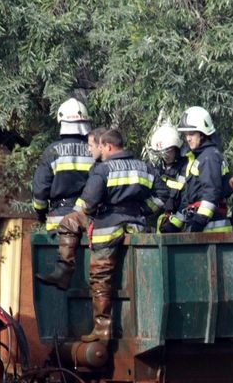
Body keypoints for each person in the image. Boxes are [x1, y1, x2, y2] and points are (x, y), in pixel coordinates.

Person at [37, 129, 154, 342]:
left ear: (108, 146)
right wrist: (143, 210)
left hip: (107, 227)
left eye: (97, 146)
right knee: (72, 222)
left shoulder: (102, 170)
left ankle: (101, 328)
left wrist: (90, 212)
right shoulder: (144, 167)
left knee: (100, 278)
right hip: (136, 222)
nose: (94, 149)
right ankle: (63, 272)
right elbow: (163, 195)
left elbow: (88, 203)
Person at [161, 106, 233, 233]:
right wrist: (175, 224)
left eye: (192, 134)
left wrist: (200, 220)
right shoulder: (198, 158)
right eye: (186, 135)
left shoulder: (209, 157)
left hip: (214, 230)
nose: (188, 138)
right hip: (204, 228)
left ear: (203, 134)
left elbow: (211, 193)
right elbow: (188, 201)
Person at [32, 98, 95, 233]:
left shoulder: (52, 151)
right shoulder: (94, 151)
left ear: (61, 122)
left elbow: (40, 190)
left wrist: (41, 214)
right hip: (88, 220)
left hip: (58, 221)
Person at [142, 123, 185, 232]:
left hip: (181, 224)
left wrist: (175, 222)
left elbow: (187, 198)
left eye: (168, 151)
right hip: (158, 222)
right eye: (161, 153)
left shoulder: (185, 168)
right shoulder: (155, 168)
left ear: (176, 148)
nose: (165, 156)